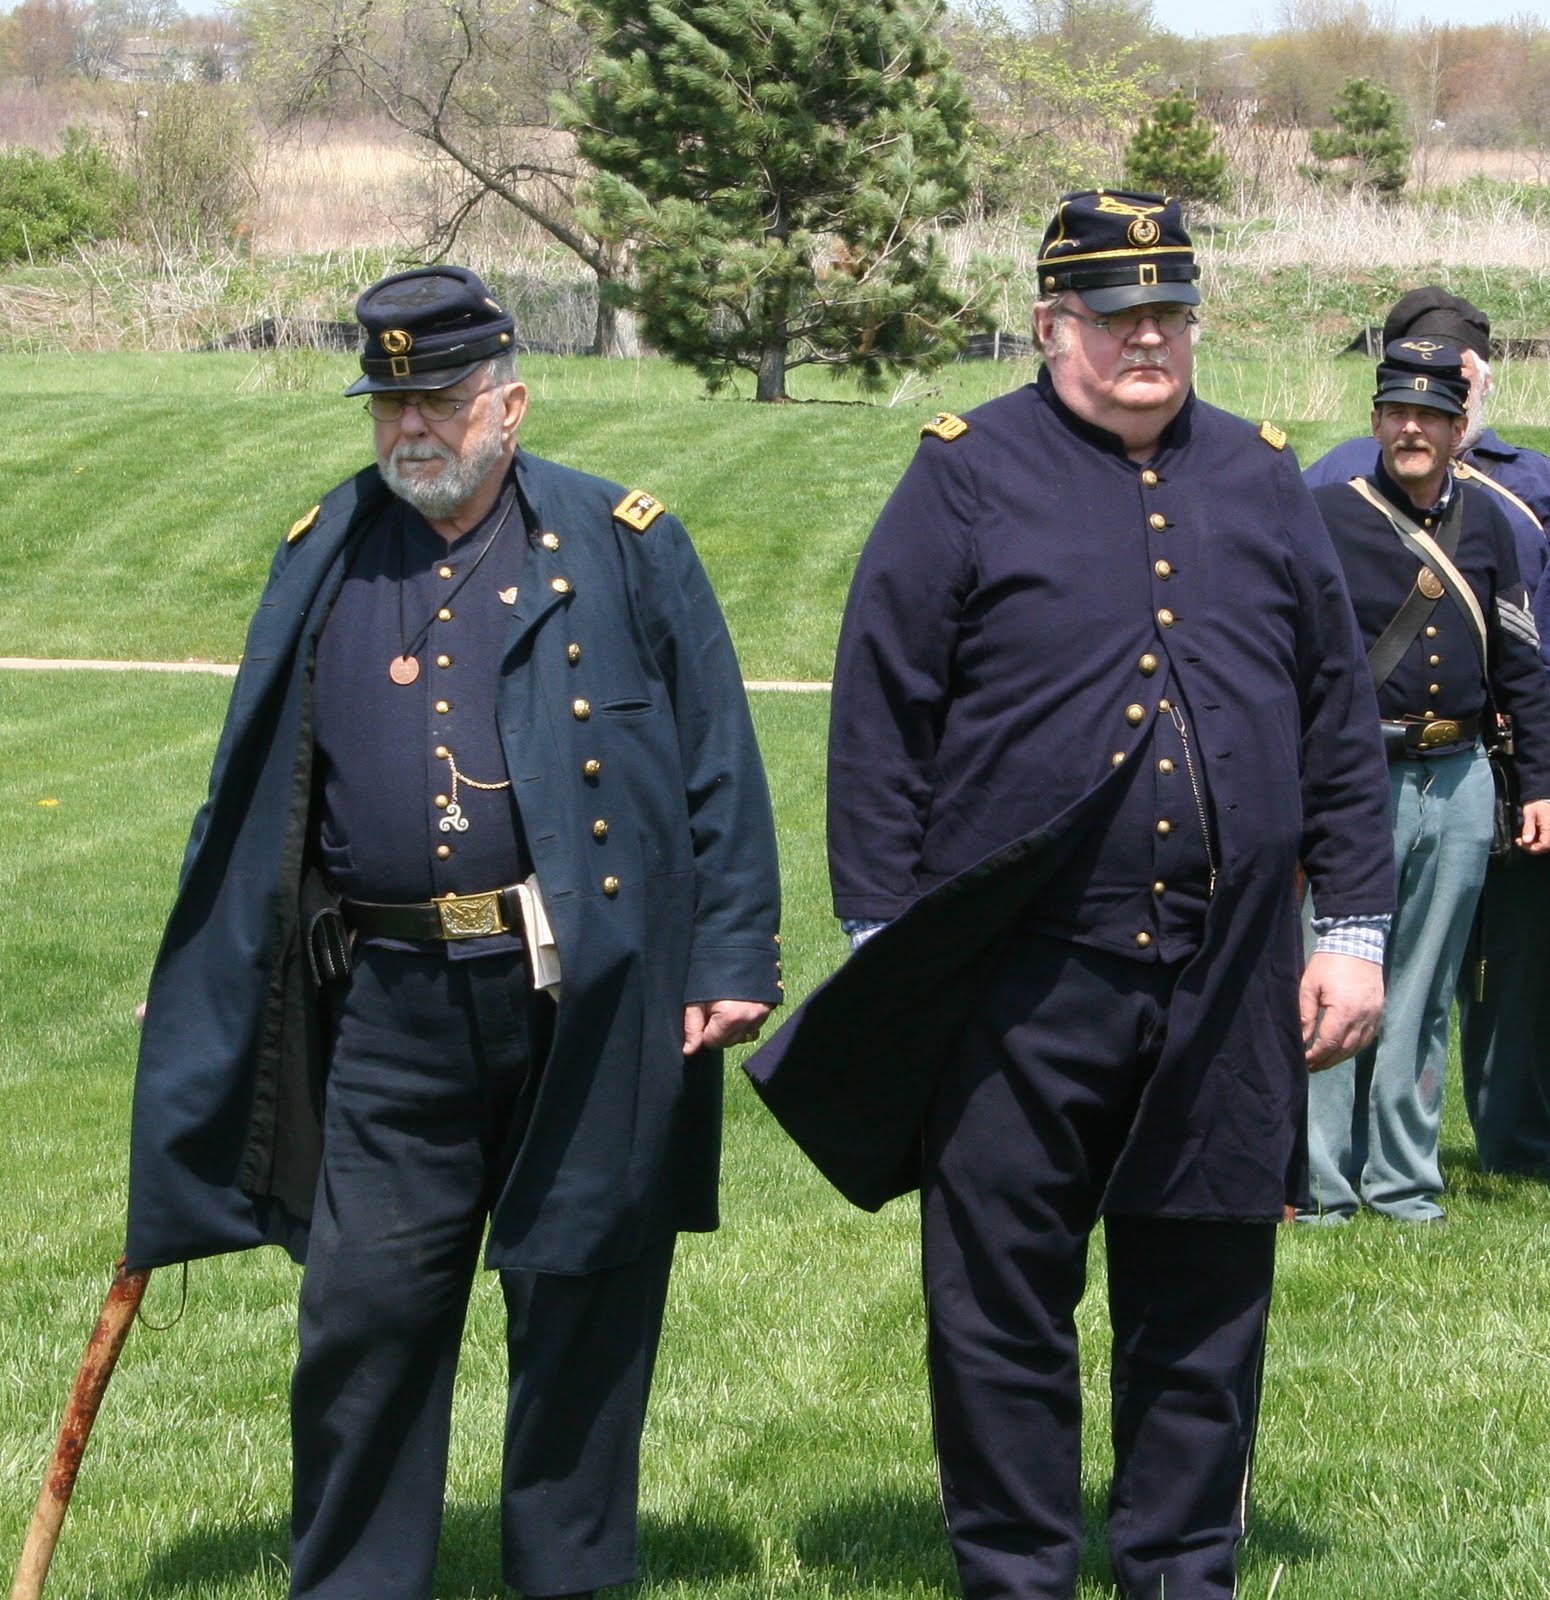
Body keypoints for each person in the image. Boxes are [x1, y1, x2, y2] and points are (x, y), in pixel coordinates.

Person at [745, 190, 1395, 1600]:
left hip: (1226, 973)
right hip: (1017, 979)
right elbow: (881, 717)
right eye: (1113, 317)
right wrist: (892, 950)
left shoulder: (1259, 477)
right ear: (1050, 324)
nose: (1145, 339)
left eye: (1167, 313)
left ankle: (1180, 1568)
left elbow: (1337, 720)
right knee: (998, 1310)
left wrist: (1348, 931)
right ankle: (1016, 1572)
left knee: (1203, 1302)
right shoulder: (963, 473)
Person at [123, 265, 783, 1600]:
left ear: (511, 405)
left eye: (440, 399)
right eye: (390, 404)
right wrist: (206, 963)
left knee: (583, 1297)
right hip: (388, 999)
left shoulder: (623, 541)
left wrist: (729, 954)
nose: (412, 426)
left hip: (587, 992)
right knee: (364, 1311)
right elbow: (250, 783)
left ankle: (568, 1577)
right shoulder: (323, 551)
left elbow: (718, 754)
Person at [1301, 339, 1550, 1223]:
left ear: (1457, 428)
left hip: (1460, 777)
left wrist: (1539, 782)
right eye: (1398, 413)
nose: (1413, 429)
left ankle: (1403, 1182)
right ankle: (1320, 1182)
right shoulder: (1325, 514)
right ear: (1375, 423)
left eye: (1432, 416)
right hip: (1352, 778)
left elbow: (1521, 662)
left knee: (1426, 989)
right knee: (1331, 978)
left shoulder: (1490, 524)